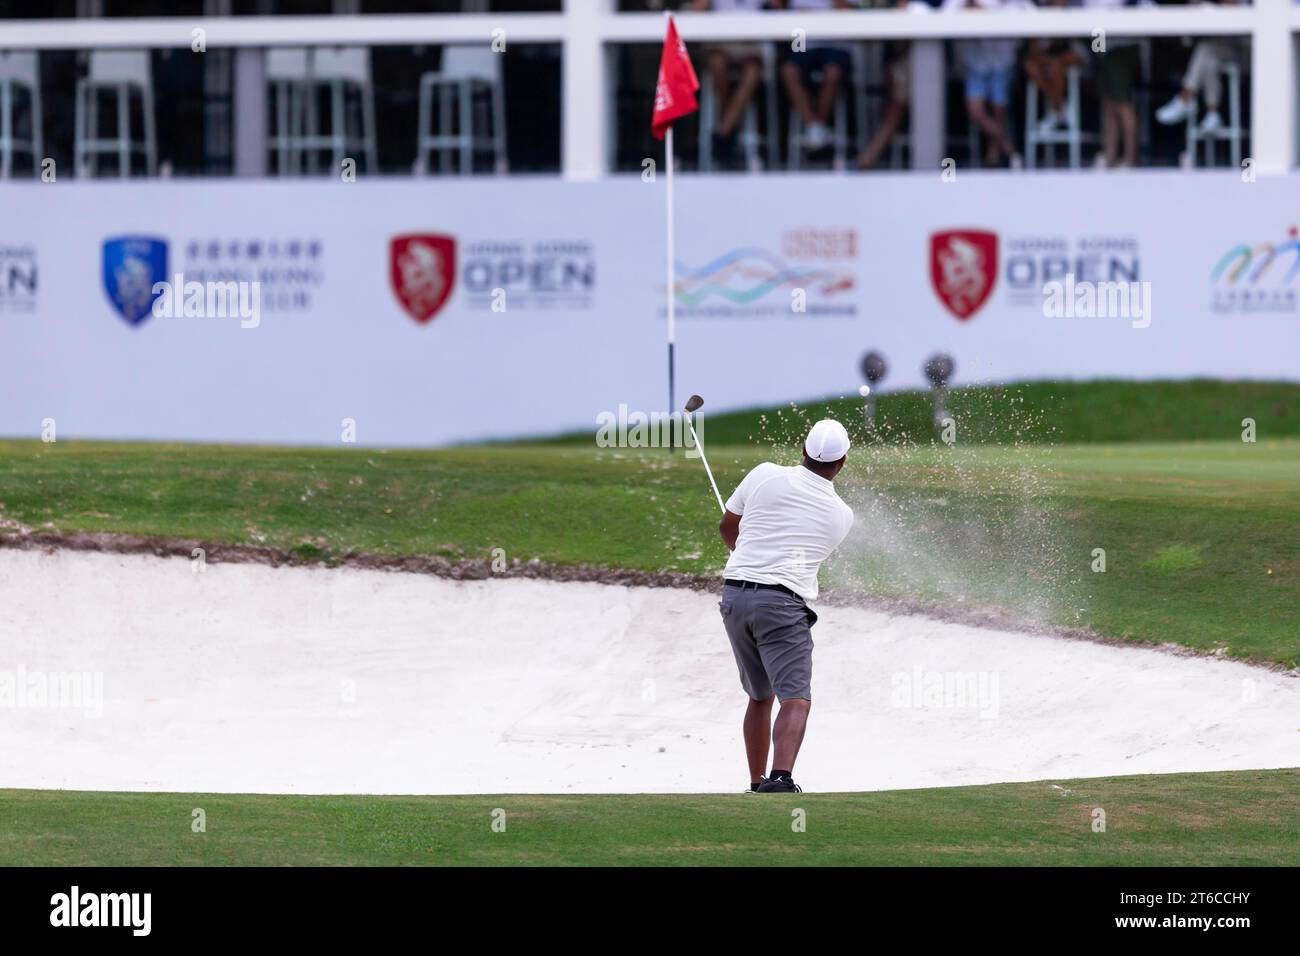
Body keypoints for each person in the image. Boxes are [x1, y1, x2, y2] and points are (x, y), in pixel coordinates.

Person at [717, 419, 856, 794]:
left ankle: (755, 781)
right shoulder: (841, 515)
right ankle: (780, 780)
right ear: (842, 462)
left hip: (735, 599)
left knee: (760, 696)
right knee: (795, 698)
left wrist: (749, 550)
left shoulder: (763, 474)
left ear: (803, 448)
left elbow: (729, 528)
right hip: (781, 604)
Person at [772, 0, 856, 155]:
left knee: (832, 71)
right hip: (802, 41)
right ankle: (815, 127)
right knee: (789, 70)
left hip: (836, 43)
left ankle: (816, 128)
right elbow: (789, 14)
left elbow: (851, 12)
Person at [945, 0, 1023, 168]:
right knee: (975, 111)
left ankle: (993, 152)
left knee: (998, 108)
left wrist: (987, 10)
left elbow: (1024, 11)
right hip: (976, 61)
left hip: (1002, 58)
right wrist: (967, 7)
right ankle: (1008, 147)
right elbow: (945, 12)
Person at [690, 0, 768, 168]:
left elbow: (779, 9)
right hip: (720, 42)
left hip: (749, 44)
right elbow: (695, 9)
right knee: (717, 63)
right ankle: (729, 125)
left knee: (753, 71)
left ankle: (724, 131)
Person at [1155, 6, 1245, 135]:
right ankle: (1212, 113)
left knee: (1204, 49)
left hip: (1251, 50)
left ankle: (1186, 97)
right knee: (1209, 62)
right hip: (1222, 47)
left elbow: (1232, 6)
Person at [1084, 0, 1139, 168]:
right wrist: (1097, 52)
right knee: (1107, 102)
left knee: (1123, 103)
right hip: (1099, 37)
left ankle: (1130, 159)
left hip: (1121, 44)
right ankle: (1110, 156)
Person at [1023, 0, 1084, 136]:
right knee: (1030, 66)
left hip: (1083, 54)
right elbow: (1034, 50)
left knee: (1055, 65)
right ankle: (1061, 109)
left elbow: (1094, 41)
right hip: (1049, 58)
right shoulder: (1037, 9)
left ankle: (1056, 111)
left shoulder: (1077, 7)